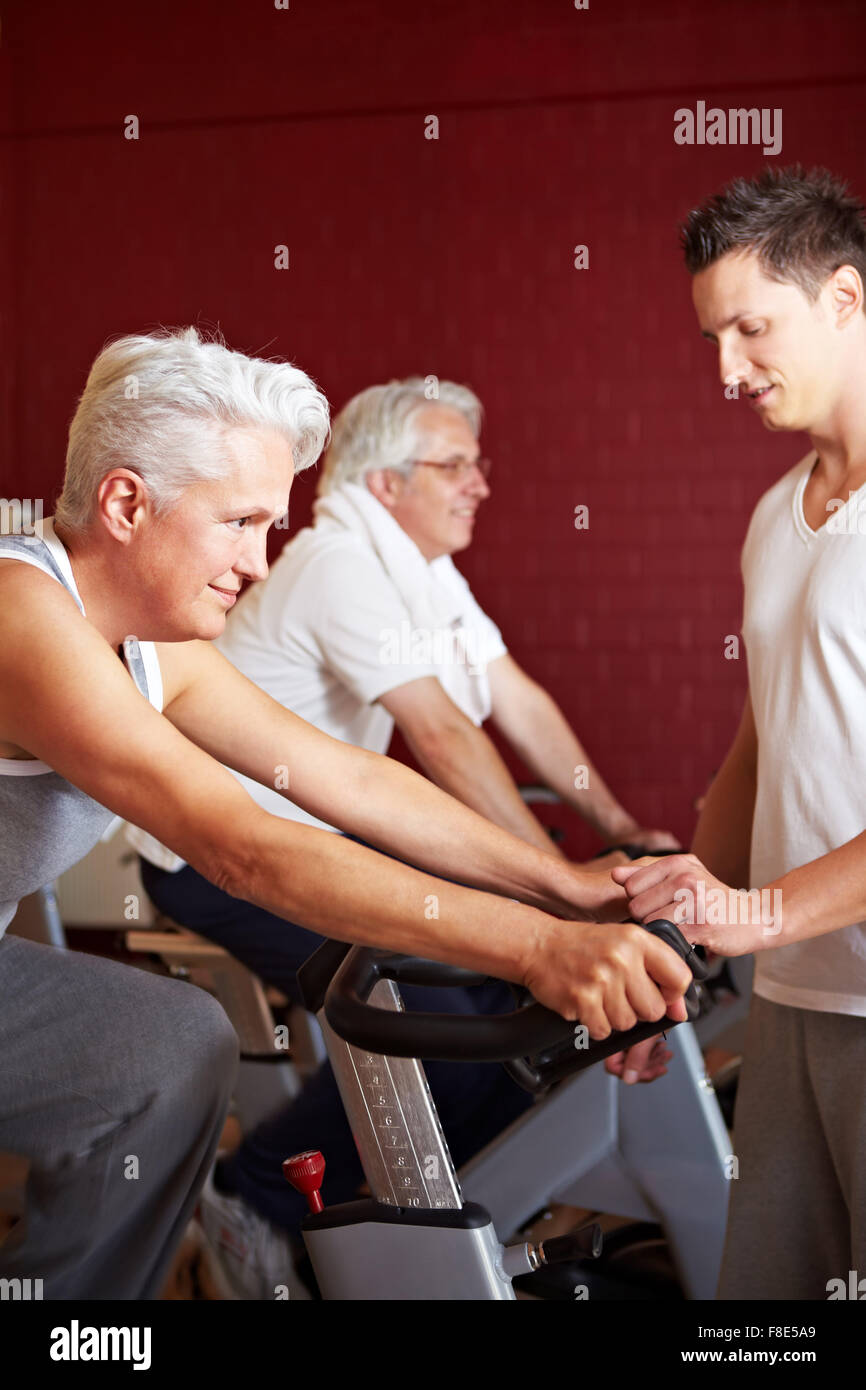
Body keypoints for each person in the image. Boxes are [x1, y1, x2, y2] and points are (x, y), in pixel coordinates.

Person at [0, 326, 693, 1299]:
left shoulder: (158, 647)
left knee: (169, 1049)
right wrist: (539, 949)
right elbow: (241, 848)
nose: (257, 558)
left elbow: (349, 781)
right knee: (172, 1045)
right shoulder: (22, 612)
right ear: (125, 503)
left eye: (268, 526)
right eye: (237, 522)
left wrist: (567, 887)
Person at [614, 166, 866, 1300]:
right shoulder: (777, 513)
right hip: (791, 996)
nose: (725, 369)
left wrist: (754, 913)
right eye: (711, 336)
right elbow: (757, 749)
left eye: (749, 329)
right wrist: (675, 952)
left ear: (845, 300)